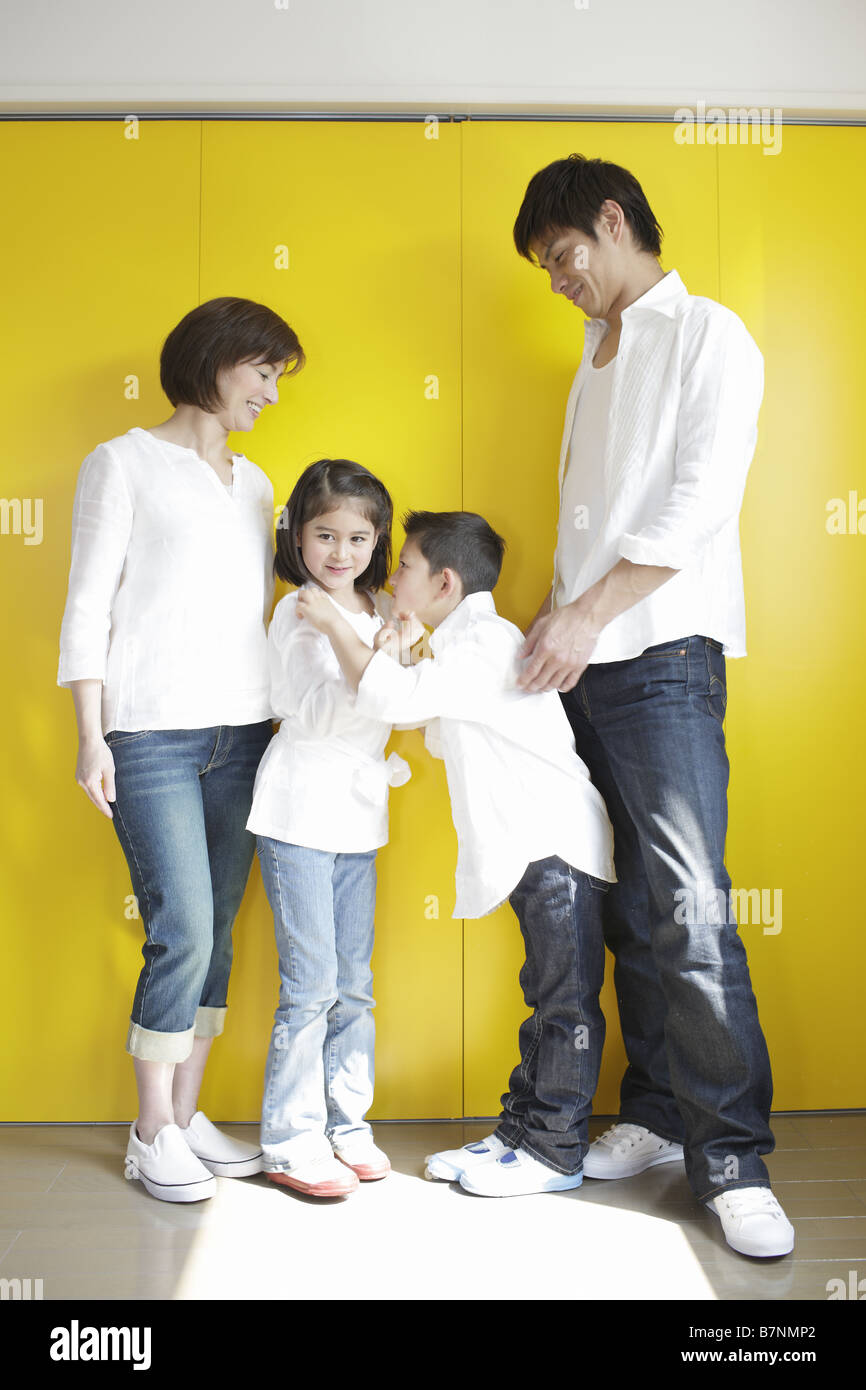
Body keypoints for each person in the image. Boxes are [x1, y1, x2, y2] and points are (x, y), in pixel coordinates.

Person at [511, 153, 794, 1257]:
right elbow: (584, 526)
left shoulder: (705, 332)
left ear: (612, 220)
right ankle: (655, 1113)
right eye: (543, 266)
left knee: (687, 905)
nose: (554, 280)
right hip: (586, 661)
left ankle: (731, 1155)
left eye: (560, 254)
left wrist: (585, 618)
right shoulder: (591, 358)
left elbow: (696, 503)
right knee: (625, 906)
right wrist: (548, 619)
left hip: (663, 653)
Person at [58, 296, 304, 1202]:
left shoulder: (258, 484)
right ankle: (149, 1131)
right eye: (265, 372)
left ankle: (189, 1117)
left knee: (221, 939)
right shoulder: (121, 462)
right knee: (183, 929)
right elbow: (88, 605)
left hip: (244, 734)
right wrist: (91, 736)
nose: (273, 394)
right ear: (216, 359)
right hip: (150, 735)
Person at [296, 510, 616, 1197]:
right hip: (536, 844)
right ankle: (522, 1133)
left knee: (563, 1004)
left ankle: (555, 1150)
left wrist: (331, 624)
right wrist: (412, 651)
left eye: (402, 566)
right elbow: (431, 725)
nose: (391, 575)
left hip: (553, 842)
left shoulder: (487, 642)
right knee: (546, 995)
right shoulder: (465, 645)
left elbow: (392, 700)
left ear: (443, 581)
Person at [247, 458, 411, 1200]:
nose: (340, 553)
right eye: (324, 535)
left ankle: (348, 1123)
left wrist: (380, 659)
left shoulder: (378, 614)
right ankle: (289, 1138)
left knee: (355, 986)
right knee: (310, 986)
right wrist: (376, 669)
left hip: (358, 817)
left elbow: (402, 707)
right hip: (298, 810)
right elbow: (307, 713)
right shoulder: (297, 611)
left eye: (358, 537)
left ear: (378, 542)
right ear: (298, 537)